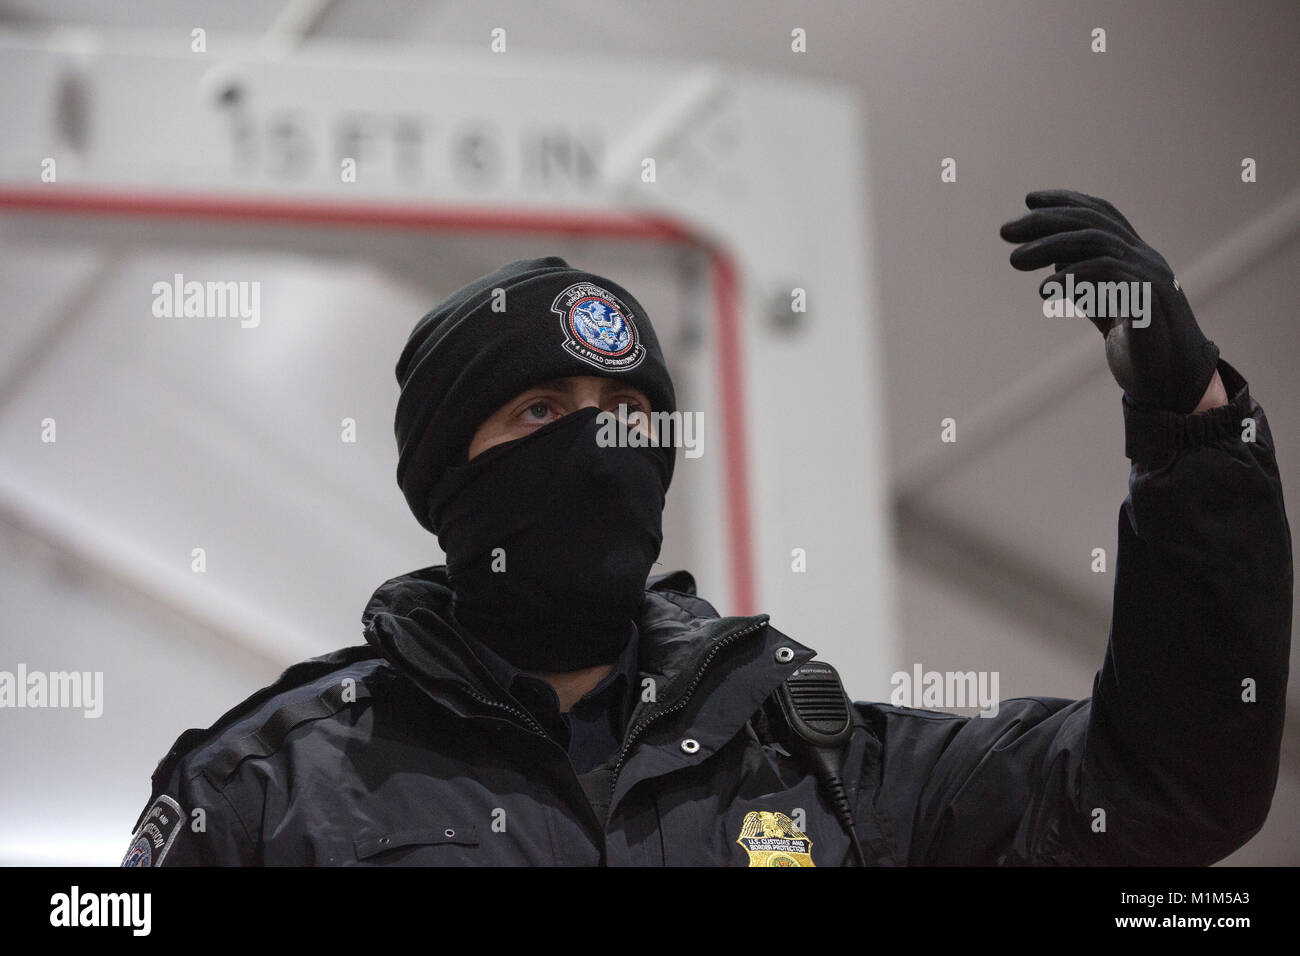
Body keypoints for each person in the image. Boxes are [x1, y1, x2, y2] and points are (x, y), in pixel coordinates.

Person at [122, 190, 1291, 866]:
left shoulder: (829, 771)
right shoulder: (271, 789)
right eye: (541, 411)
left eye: (629, 414)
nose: (596, 445)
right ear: (447, 480)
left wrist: (1188, 432)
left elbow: (1169, 784)